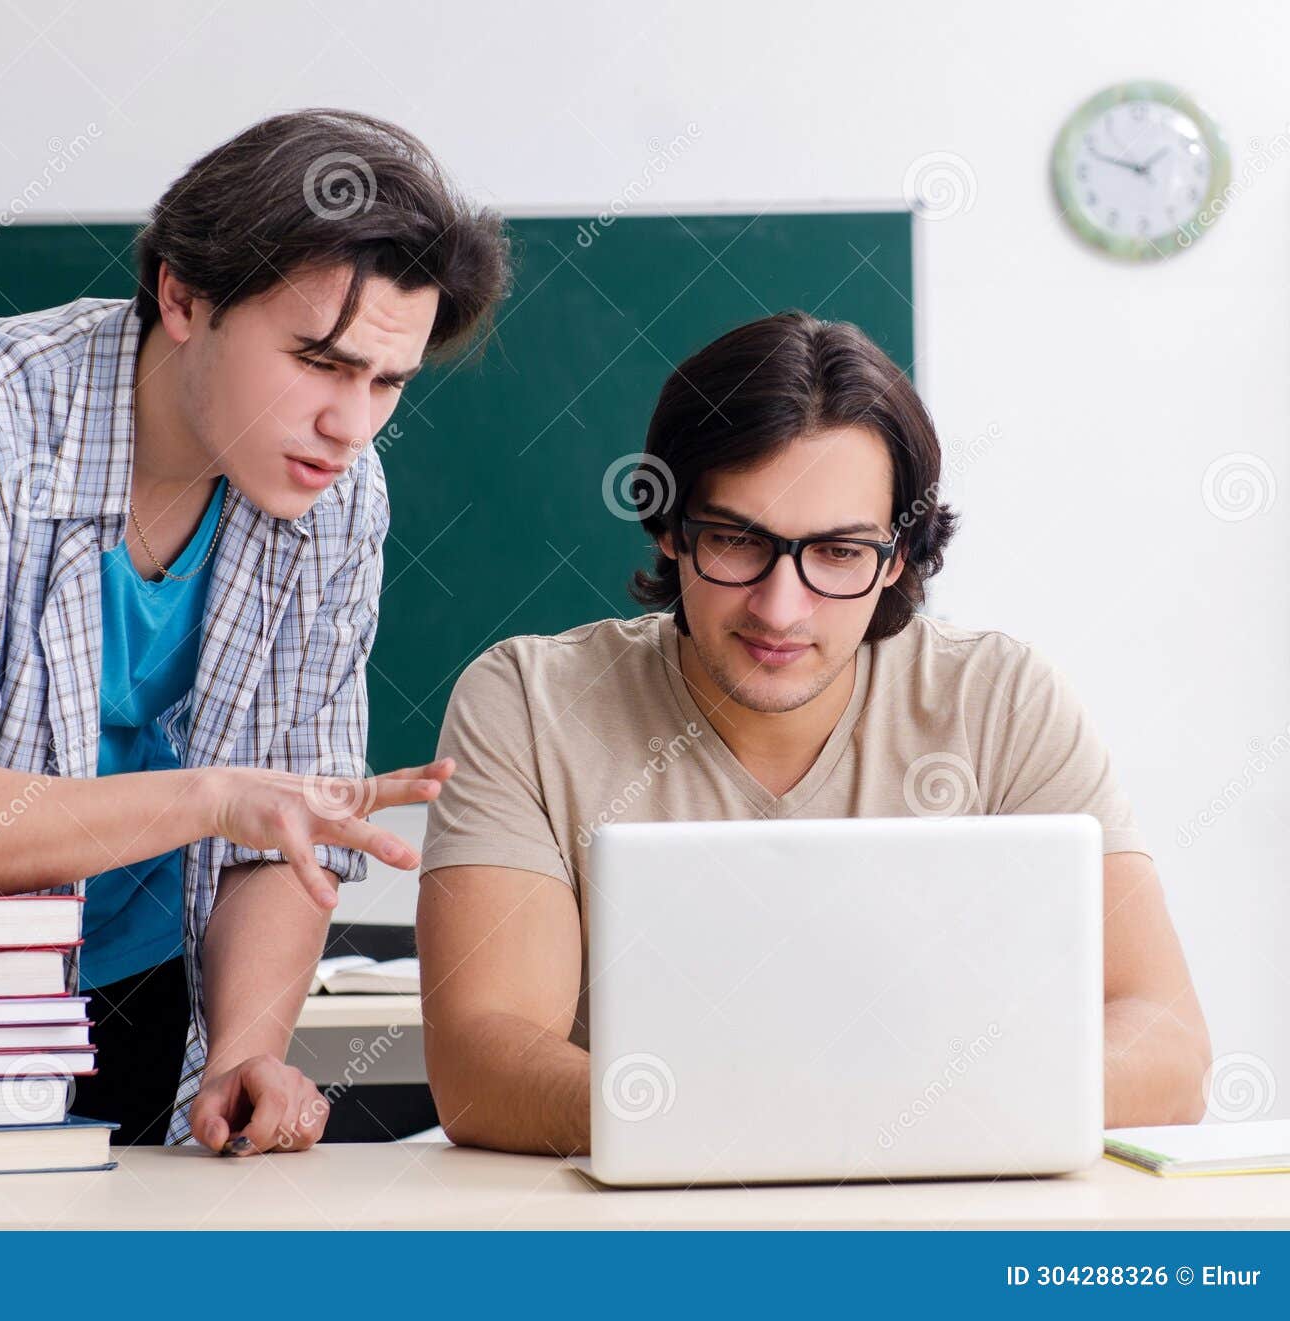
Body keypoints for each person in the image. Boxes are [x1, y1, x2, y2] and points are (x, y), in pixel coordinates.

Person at [0, 109, 509, 1154]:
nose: (351, 425)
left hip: (149, 995)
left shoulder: (336, 495)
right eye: (318, 360)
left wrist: (244, 1053)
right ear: (181, 294)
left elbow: (287, 837)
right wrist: (214, 796)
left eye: (386, 381)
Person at [417, 311, 1211, 1156]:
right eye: (735, 540)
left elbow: (1169, 1048)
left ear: (900, 554)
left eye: (837, 553)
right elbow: (480, 1064)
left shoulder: (1001, 701)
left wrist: (866, 1122)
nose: (780, 608)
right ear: (667, 526)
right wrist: (809, 1123)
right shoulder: (531, 703)